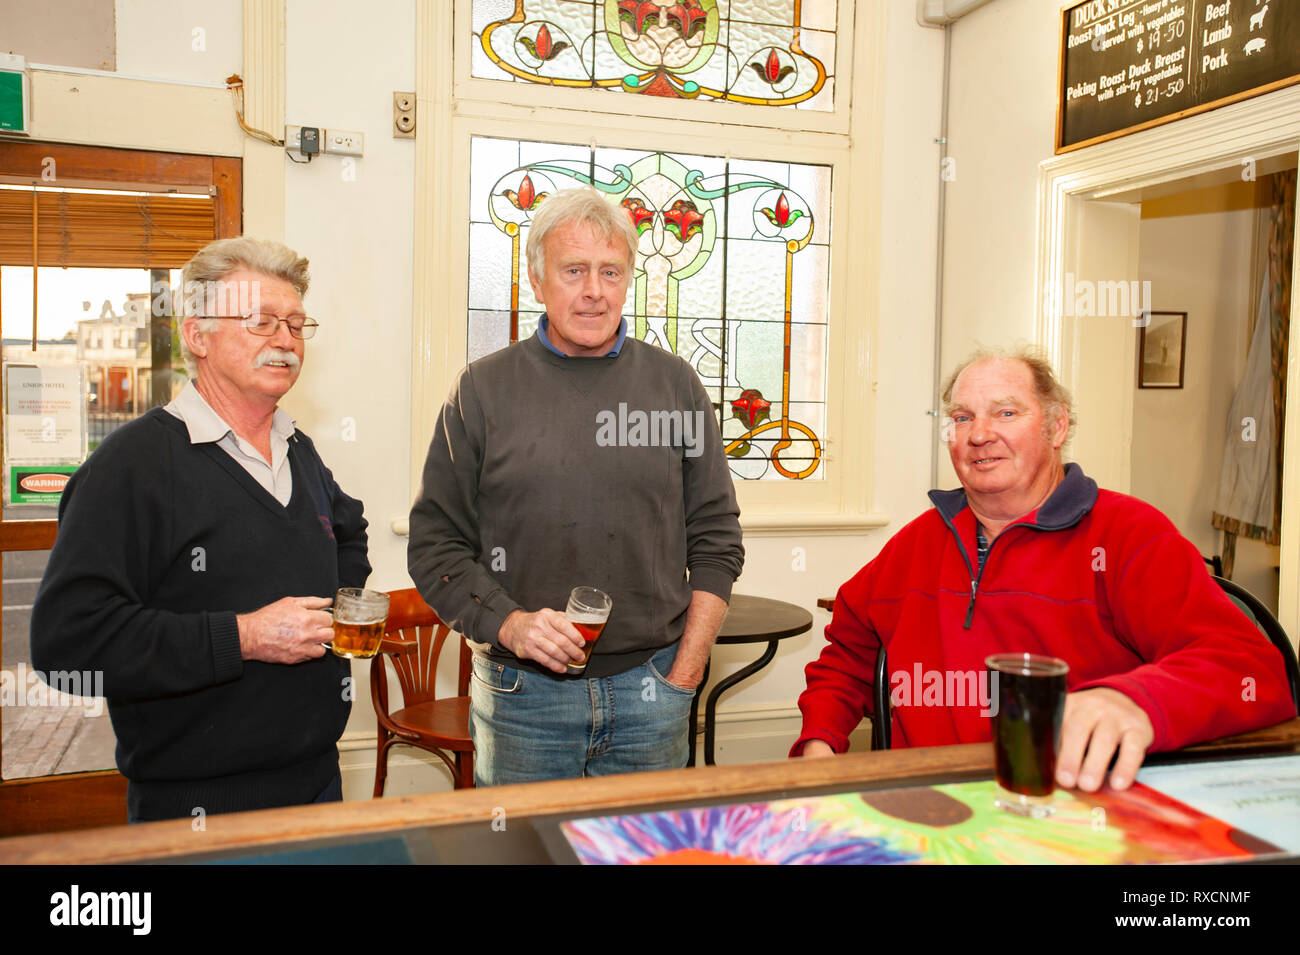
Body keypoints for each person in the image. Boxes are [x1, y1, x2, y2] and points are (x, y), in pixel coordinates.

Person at [792, 348, 1296, 791]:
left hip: (1075, 812)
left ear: (1057, 427)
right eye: (962, 418)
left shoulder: (1129, 534)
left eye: (1005, 413)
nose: (979, 434)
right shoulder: (917, 543)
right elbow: (848, 657)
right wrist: (819, 741)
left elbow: (1250, 671)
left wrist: (1134, 701)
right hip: (934, 813)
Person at [408, 188, 744, 786]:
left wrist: (687, 671)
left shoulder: (675, 387)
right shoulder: (481, 392)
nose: (594, 290)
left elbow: (716, 537)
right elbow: (436, 547)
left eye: (610, 272)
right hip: (521, 699)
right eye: (574, 271)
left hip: (653, 693)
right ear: (537, 281)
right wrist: (511, 623)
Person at [32, 237, 370, 823]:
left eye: (295, 324)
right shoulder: (131, 466)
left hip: (318, 783)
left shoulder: (300, 450)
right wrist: (244, 636)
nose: (285, 340)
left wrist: (337, 612)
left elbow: (349, 532)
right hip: (197, 810)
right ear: (197, 336)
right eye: (261, 322)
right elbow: (67, 643)